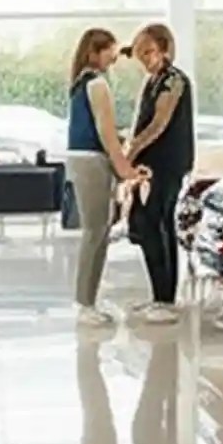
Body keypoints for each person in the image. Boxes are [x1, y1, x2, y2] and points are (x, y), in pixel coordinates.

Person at [65, 28, 144, 328]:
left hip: (83, 159)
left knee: (96, 232)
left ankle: (87, 300)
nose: (115, 57)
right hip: (92, 161)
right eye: (111, 51)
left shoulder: (80, 83)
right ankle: (85, 303)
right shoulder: (97, 84)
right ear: (95, 52)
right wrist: (124, 167)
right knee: (95, 233)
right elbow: (106, 133)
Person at [123, 23, 195, 324]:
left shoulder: (173, 81)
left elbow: (159, 123)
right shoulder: (152, 81)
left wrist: (132, 148)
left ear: (164, 49)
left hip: (166, 163)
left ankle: (165, 299)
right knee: (151, 222)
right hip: (150, 163)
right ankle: (160, 296)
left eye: (149, 52)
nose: (145, 59)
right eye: (140, 53)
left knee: (154, 222)